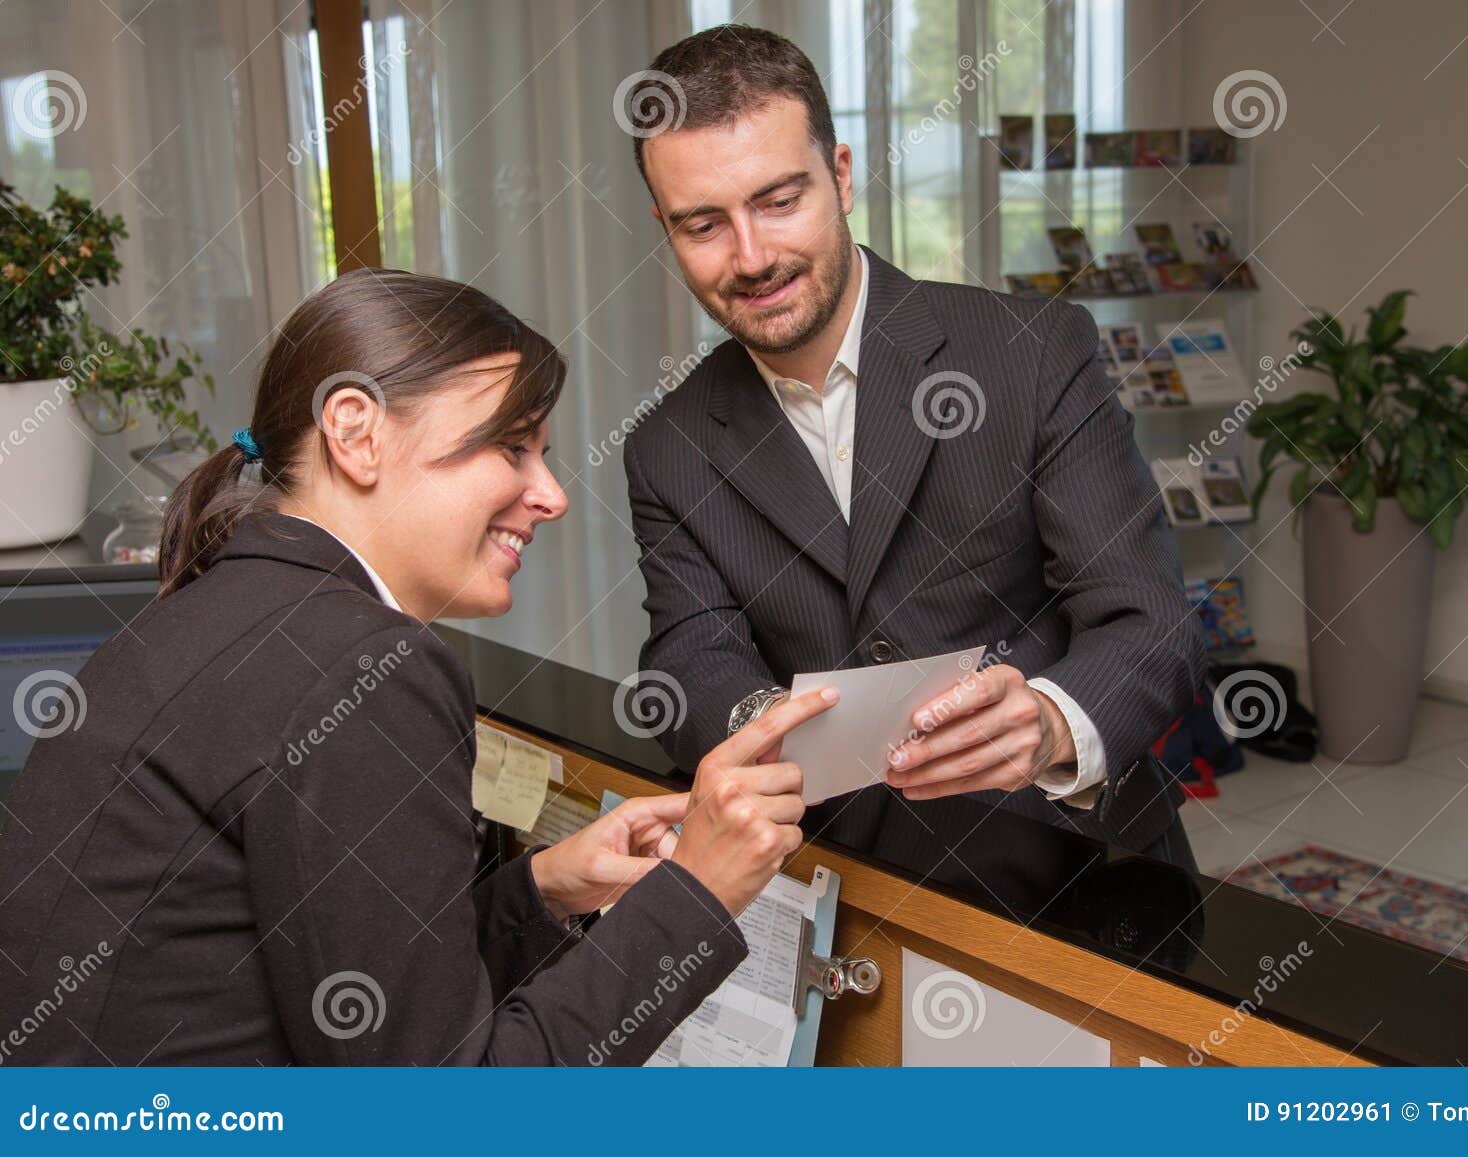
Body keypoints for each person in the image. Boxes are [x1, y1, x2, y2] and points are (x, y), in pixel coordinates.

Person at [0, 268, 835, 1065]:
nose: (552, 494)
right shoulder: (362, 665)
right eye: (511, 446)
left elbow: (352, 991)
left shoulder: (215, 607)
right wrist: (696, 891)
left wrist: (541, 891)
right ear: (356, 431)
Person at [620, 26, 1204, 868]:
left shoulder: (1033, 351)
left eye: (780, 201)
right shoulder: (664, 447)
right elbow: (688, 659)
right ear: (664, 226)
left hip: (1076, 870)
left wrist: (1047, 723)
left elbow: (1151, 621)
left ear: (842, 175)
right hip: (839, 886)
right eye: (704, 224)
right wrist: (768, 731)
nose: (752, 257)